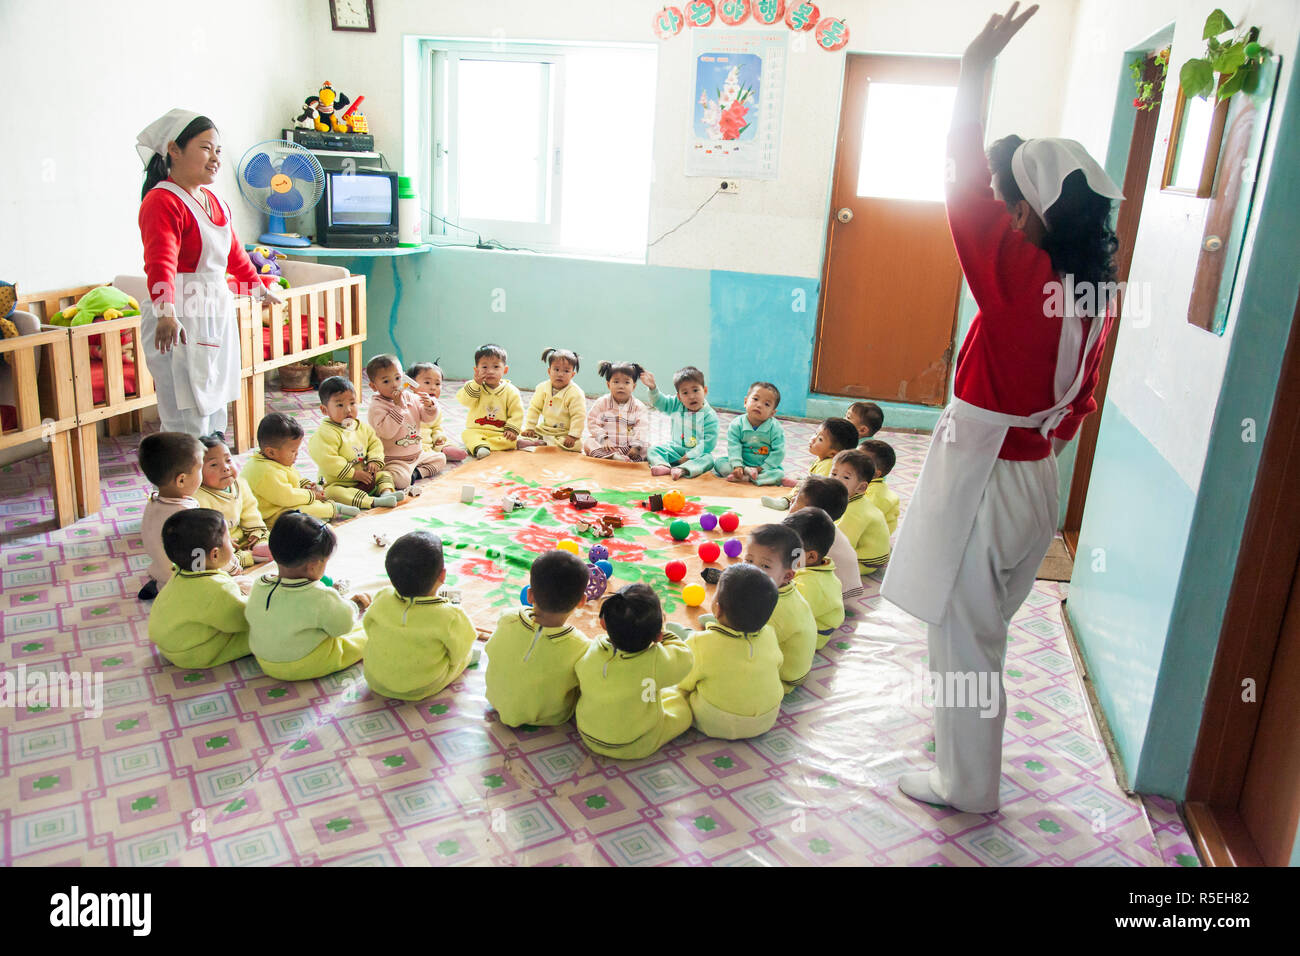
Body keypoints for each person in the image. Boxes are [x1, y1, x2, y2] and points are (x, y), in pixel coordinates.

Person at [883, 2, 1122, 814]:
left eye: (1012, 198)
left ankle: (967, 783)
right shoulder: (1098, 287)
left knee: (965, 637)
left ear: (1033, 212)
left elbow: (954, 167)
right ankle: (963, 750)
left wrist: (973, 67)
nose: (1001, 207)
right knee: (980, 630)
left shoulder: (1020, 276)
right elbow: (1079, 399)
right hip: (1038, 481)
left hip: (988, 478)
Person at [135, 109, 282, 440]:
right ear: (174, 149)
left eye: (218, 150)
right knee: (187, 407)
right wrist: (166, 313)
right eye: (206, 148)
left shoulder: (214, 201)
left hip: (215, 308)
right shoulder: (162, 201)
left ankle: (213, 481)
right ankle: (183, 485)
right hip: (181, 313)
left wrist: (258, 290)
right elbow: (160, 263)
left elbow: (234, 255)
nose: (215, 158)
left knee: (214, 401)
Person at [245, 511, 371, 680]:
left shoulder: (260, 584)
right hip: (304, 663)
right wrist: (355, 605)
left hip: (265, 660)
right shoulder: (320, 595)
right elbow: (343, 626)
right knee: (367, 632)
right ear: (313, 566)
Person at [575, 583, 693, 758]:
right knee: (682, 708)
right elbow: (686, 659)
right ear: (658, 636)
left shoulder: (593, 649)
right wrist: (666, 634)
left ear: (603, 623)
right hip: (636, 743)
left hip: (588, 734)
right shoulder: (657, 660)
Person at [363, 532, 477, 701]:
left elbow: (367, 627)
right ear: (442, 575)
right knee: (467, 655)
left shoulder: (382, 597)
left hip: (375, 680)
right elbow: (460, 652)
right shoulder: (451, 615)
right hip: (420, 687)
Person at [485, 550, 592, 727]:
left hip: (495, 701)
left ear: (529, 595)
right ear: (582, 601)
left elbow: (491, 650)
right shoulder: (581, 646)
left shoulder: (508, 618)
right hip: (548, 717)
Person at [677, 564, 784, 740]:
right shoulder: (770, 635)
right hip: (767, 718)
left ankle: (681, 637)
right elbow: (777, 664)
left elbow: (682, 681)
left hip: (717, 721)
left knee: (673, 690)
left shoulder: (701, 642)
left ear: (717, 609)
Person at [147, 509, 251, 669]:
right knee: (265, 629)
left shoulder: (182, 572)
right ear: (214, 555)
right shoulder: (219, 590)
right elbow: (242, 621)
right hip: (194, 652)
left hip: (169, 645)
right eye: (229, 539)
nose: (232, 542)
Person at [241, 412, 358, 527]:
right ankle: (335, 509)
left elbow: (293, 478)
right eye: (293, 451)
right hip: (270, 516)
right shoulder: (265, 472)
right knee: (302, 511)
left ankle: (330, 510)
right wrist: (311, 495)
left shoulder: (275, 460)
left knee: (311, 501)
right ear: (271, 452)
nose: (297, 454)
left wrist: (306, 485)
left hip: (281, 504)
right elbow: (287, 496)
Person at [308, 376, 402, 509]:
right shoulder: (325, 433)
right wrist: (354, 474)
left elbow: (375, 444)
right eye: (340, 405)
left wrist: (374, 460)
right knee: (332, 493)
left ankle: (386, 493)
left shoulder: (362, 427)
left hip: (366, 478)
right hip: (340, 483)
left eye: (352, 403)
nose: (348, 410)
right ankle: (373, 502)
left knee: (385, 475)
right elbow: (328, 460)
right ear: (325, 410)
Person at [745, 524, 818, 693]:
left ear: (787, 575)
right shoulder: (780, 589)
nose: (752, 570)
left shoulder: (774, 609)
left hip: (783, 677)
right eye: (749, 561)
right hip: (792, 667)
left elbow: (749, 645)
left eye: (765, 566)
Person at [137, 432, 204, 600]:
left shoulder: (153, 502)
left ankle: (160, 584)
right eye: (200, 469)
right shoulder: (186, 515)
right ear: (181, 480)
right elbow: (199, 553)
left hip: (160, 571)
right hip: (186, 581)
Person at [365, 354, 446, 488]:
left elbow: (428, 419)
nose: (394, 385)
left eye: (397, 378)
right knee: (400, 481)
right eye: (386, 381)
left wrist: (429, 406)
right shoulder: (377, 407)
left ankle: (416, 473)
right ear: (374, 386)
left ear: (403, 376)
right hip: (394, 460)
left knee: (441, 459)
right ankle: (404, 475)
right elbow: (387, 433)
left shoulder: (410, 396)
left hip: (417, 455)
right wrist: (398, 407)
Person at [194, 435, 270, 570]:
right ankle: (244, 558)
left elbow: (250, 510)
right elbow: (206, 532)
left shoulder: (240, 483)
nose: (225, 468)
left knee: (268, 536)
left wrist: (255, 531)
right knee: (215, 560)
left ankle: (259, 549)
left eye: (228, 460)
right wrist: (223, 542)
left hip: (243, 535)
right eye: (213, 465)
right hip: (222, 543)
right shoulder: (199, 498)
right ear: (197, 472)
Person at [761, 417, 858, 510]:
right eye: (815, 433)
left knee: (804, 488)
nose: (812, 439)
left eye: (820, 439)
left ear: (832, 453)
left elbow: (817, 488)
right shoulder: (822, 459)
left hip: (816, 500)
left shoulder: (828, 465)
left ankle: (785, 502)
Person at [790, 475, 862, 600]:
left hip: (834, 597)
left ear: (808, 513)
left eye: (796, 500)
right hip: (848, 590)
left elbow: (786, 566)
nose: (791, 501)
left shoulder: (806, 537)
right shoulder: (827, 528)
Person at [642, 365, 719, 479]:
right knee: (653, 449)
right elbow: (660, 402)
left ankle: (683, 469)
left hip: (697, 453)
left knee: (709, 459)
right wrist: (653, 388)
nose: (692, 396)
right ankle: (662, 465)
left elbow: (708, 443)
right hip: (675, 449)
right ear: (679, 396)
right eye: (685, 393)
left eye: (695, 390)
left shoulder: (709, 416)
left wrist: (689, 456)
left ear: (705, 390)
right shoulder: (676, 404)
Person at [714, 382, 797, 486]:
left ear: (772, 413)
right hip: (742, 464)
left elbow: (779, 452)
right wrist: (737, 466)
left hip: (764, 467)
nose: (759, 405)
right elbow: (734, 446)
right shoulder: (736, 424)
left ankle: (747, 478)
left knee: (779, 474)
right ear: (745, 402)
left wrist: (760, 468)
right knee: (720, 463)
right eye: (755, 399)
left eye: (766, 404)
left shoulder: (775, 428)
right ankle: (744, 474)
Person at [783, 507, 845, 646]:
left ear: (811, 556)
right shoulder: (810, 566)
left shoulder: (810, 585)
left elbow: (788, 616)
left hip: (812, 636)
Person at [829, 448, 891, 575]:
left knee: (819, 567)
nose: (836, 480)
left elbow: (842, 544)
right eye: (834, 474)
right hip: (860, 552)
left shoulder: (855, 511)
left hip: (866, 561)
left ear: (861, 487)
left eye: (846, 477)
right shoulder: (849, 500)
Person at [457, 343, 525, 458]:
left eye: (496, 367)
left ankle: (482, 446)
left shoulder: (511, 391)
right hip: (476, 429)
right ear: (476, 369)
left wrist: (511, 429)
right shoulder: (473, 386)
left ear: (505, 369)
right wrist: (476, 384)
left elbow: (517, 413)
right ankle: (481, 447)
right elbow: (465, 401)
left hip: (500, 432)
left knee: (510, 439)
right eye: (484, 367)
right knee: (467, 435)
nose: (490, 371)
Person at [521, 348, 586, 451]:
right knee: (521, 435)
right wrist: (530, 427)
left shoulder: (576, 393)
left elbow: (578, 416)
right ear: (549, 371)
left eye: (566, 371)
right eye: (556, 369)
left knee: (577, 445)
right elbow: (534, 408)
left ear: (572, 374)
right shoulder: (542, 388)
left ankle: (544, 444)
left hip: (564, 433)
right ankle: (540, 442)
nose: (560, 374)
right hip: (545, 429)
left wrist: (573, 436)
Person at [583, 361, 650, 462]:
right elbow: (592, 422)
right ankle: (612, 457)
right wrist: (604, 439)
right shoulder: (602, 403)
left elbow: (642, 428)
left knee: (648, 448)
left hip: (628, 447)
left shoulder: (639, 407)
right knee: (589, 442)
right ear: (608, 384)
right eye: (616, 382)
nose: (621, 386)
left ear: (634, 386)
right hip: (607, 446)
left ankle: (628, 458)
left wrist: (636, 447)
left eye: (626, 382)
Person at [407, 362, 468, 462]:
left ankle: (445, 449)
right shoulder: (407, 402)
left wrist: (439, 437)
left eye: (437, 384)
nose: (433, 387)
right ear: (412, 384)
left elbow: (436, 426)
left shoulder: (436, 406)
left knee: (443, 442)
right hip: (413, 440)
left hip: (430, 440)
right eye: (427, 382)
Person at [861, 439, 901, 534]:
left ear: (875, 474)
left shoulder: (875, 494)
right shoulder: (868, 485)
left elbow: (863, 520)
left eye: (859, 461)